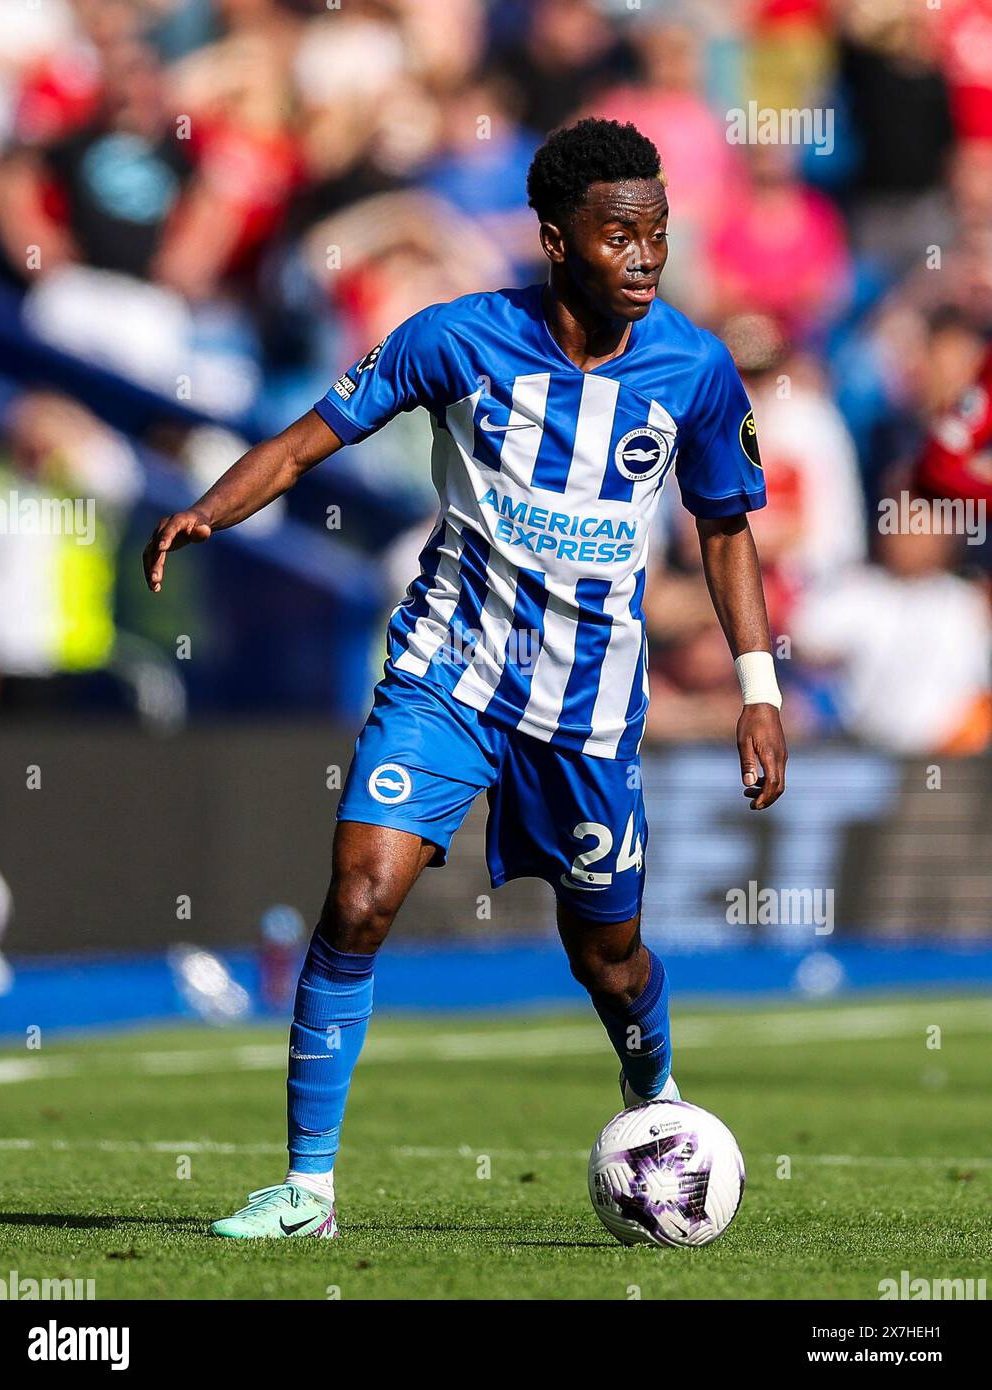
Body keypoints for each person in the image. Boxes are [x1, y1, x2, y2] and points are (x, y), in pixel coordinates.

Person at [142, 119, 787, 1241]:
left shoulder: (694, 367)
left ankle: (656, 1097)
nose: (645, 257)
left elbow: (724, 525)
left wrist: (759, 686)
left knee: (611, 957)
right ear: (554, 239)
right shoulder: (459, 340)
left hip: (588, 713)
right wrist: (210, 508)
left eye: (658, 235)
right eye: (619, 235)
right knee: (358, 896)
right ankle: (307, 1190)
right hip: (447, 672)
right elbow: (307, 440)